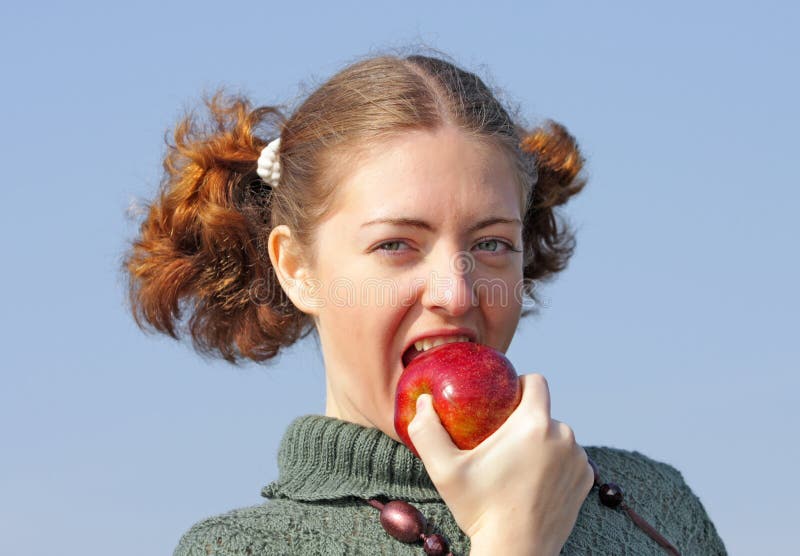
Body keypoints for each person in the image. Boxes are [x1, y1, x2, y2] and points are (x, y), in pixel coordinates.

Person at [123, 48, 727, 555]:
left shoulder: (655, 504)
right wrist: (513, 541)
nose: (455, 293)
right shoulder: (240, 550)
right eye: (396, 245)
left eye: (491, 243)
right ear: (297, 269)